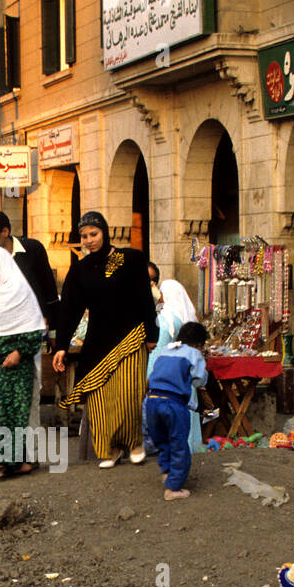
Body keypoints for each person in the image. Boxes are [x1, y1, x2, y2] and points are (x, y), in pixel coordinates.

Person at [53, 212, 158, 467]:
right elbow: (69, 308)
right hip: (98, 342)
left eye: (94, 234)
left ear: (105, 233)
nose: (89, 240)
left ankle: (133, 443)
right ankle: (110, 449)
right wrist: (61, 346)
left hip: (132, 337)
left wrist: (151, 333)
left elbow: (144, 296)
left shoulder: (130, 258)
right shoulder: (80, 269)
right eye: (85, 236)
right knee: (100, 399)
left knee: (130, 395)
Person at [0, 245, 47, 478]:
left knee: (4, 409)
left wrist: (18, 352)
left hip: (13, 363)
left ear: (1, 267)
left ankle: (8, 463)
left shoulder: (20, 293)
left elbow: (34, 331)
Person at [0, 210, 58, 432]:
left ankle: (28, 453)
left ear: (5, 232)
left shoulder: (32, 250)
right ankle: (7, 452)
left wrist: (53, 334)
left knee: (31, 390)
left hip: (30, 332)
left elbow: (49, 290)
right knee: (0, 394)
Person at [144, 321, 209, 500]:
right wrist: (202, 362)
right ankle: (173, 488)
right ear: (198, 344)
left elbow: (153, 376)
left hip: (152, 402)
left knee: (162, 441)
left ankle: (167, 473)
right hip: (173, 405)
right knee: (179, 444)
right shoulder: (194, 353)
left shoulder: (165, 349)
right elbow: (200, 380)